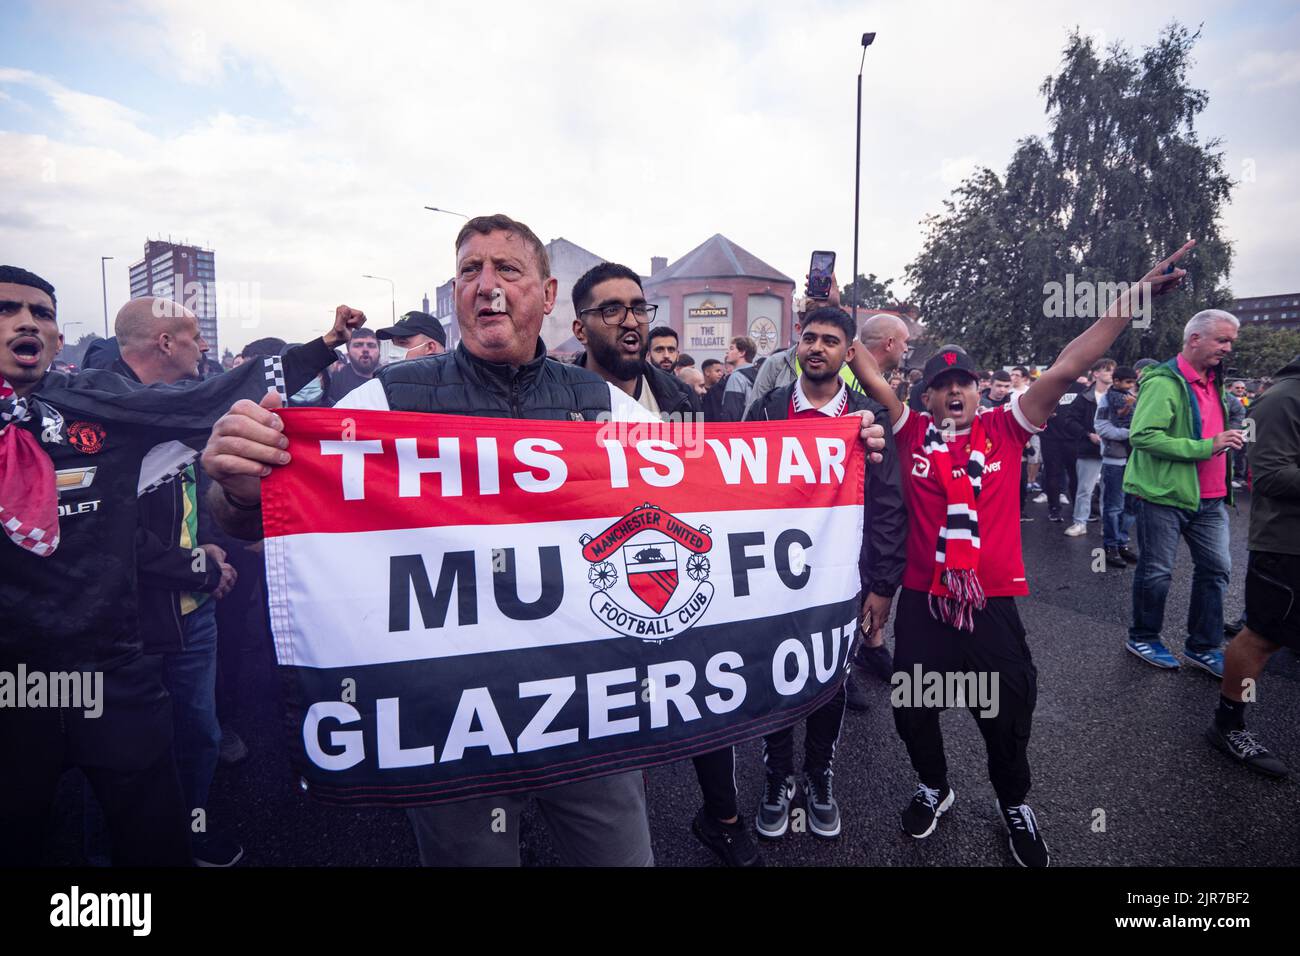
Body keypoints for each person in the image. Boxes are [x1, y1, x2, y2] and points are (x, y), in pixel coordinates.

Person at [199, 214, 891, 867]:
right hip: (448, 723)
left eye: (507, 267)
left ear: (548, 294)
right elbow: (263, 519)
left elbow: (716, 485)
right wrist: (234, 485)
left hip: (586, 712)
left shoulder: (601, 405)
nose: (485, 283)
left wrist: (831, 447)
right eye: (469, 268)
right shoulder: (386, 398)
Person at [849, 241, 1195, 868]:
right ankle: (935, 787)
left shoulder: (1009, 426)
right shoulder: (909, 432)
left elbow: (1069, 363)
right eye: (940, 385)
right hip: (927, 602)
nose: (953, 392)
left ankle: (1013, 802)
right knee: (915, 710)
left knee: (1006, 710)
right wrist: (842, 314)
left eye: (963, 382)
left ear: (978, 389)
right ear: (925, 398)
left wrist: (1133, 297)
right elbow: (868, 368)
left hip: (991, 602)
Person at [0, 265, 350, 866]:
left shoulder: (100, 403)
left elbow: (209, 397)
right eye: (6, 310)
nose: (27, 321)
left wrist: (320, 349)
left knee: (152, 839)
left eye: (42, 312)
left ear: (57, 339)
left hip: (112, 669)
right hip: (11, 679)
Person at [745, 306, 906, 842]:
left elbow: (887, 506)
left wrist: (883, 585)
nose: (818, 348)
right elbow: (735, 495)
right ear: (797, 344)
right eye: (809, 338)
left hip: (841, 580)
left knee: (831, 677)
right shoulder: (765, 412)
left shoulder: (867, 420)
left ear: (847, 352)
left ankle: (819, 774)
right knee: (774, 675)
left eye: (831, 341)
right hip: (772, 577)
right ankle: (777, 775)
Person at [111, 297, 243, 866]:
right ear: (165, 343)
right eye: (194, 335)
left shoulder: (179, 407)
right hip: (126, 624)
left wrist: (209, 542)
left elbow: (187, 489)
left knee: (199, 737)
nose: (206, 346)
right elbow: (106, 537)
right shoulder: (96, 412)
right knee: (121, 754)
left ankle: (189, 833)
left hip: (194, 613)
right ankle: (111, 861)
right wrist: (200, 565)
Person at [1123, 309, 1244, 676]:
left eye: (1231, 342)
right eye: (1222, 340)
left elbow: (1227, 417)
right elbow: (1142, 436)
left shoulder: (1215, 380)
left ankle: (1203, 646)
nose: (1227, 348)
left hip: (1209, 499)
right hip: (1163, 495)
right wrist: (1207, 446)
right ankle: (1143, 636)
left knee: (1217, 570)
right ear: (1195, 339)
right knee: (1157, 571)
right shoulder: (1163, 381)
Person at [1207, 353, 1300, 778]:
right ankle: (1229, 724)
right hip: (1286, 546)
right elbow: (1267, 477)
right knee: (1262, 638)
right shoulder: (1282, 399)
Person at [570, 263, 699, 419]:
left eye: (639, 309)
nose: (631, 322)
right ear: (581, 331)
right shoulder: (554, 399)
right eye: (611, 311)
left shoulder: (682, 397)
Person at [1059, 358, 1114, 537]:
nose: (1111, 373)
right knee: (1085, 489)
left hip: (1114, 451)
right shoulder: (1084, 397)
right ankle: (1080, 522)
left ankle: (1109, 527)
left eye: (1113, 370)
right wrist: (1088, 435)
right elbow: (1069, 421)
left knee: (1110, 490)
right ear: (1096, 373)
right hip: (1089, 449)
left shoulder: (1119, 396)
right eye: (1107, 370)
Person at [1094, 365, 1140, 570]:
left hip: (1134, 459)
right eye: (1128, 381)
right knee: (1114, 506)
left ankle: (1122, 543)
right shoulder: (1107, 398)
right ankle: (1110, 547)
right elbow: (1102, 427)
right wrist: (1131, 434)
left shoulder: (1134, 396)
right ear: (1117, 381)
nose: (1132, 385)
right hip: (1115, 460)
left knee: (1130, 506)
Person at [326, 326, 380, 403]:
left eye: (371, 345)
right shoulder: (334, 382)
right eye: (358, 345)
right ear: (348, 351)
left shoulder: (387, 379)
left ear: (379, 350)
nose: (365, 350)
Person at [377, 310, 447, 364]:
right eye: (393, 344)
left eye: (402, 342)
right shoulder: (383, 381)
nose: (392, 353)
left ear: (430, 347)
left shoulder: (454, 381)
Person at [720, 336, 758, 421]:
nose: (727, 352)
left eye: (732, 348)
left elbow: (731, 411)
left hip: (739, 430)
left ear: (742, 353)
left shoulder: (736, 377)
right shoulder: (758, 374)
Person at [700, 358, 727, 422]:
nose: (721, 374)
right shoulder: (698, 391)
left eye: (722, 371)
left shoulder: (722, 391)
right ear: (707, 372)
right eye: (717, 371)